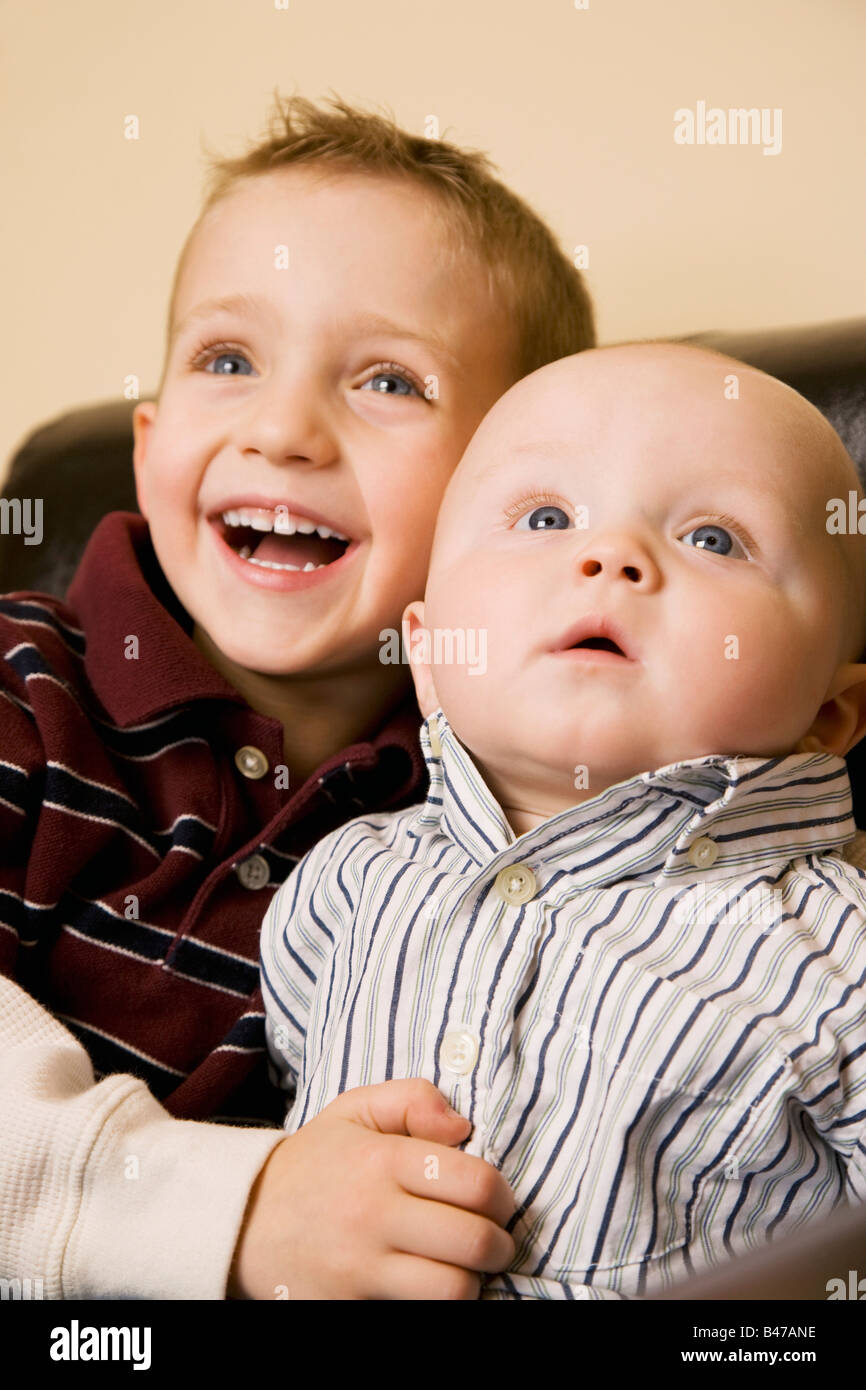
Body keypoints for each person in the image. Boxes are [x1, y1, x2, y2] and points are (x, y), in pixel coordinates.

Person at [0, 95, 594, 1299]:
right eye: (229, 360)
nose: (281, 428)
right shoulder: (23, 689)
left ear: (514, 497)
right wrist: (234, 1207)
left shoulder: (503, 816)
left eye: (386, 381)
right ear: (147, 442)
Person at [260, 342, 866, 1299]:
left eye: (714, 539)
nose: (608, 557)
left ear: (832, 716)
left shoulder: (835, 952)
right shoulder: (340, 884)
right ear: (427, 654)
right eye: (545, 517)